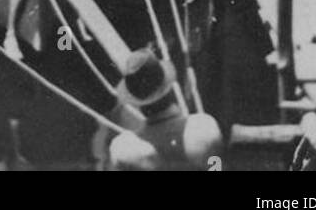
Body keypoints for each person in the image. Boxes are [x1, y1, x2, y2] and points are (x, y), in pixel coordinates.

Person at [92, 48, 223, 172]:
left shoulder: (123, 148)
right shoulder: (205, 128)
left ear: (137, 102)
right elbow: (217, 168)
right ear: (169, 89)